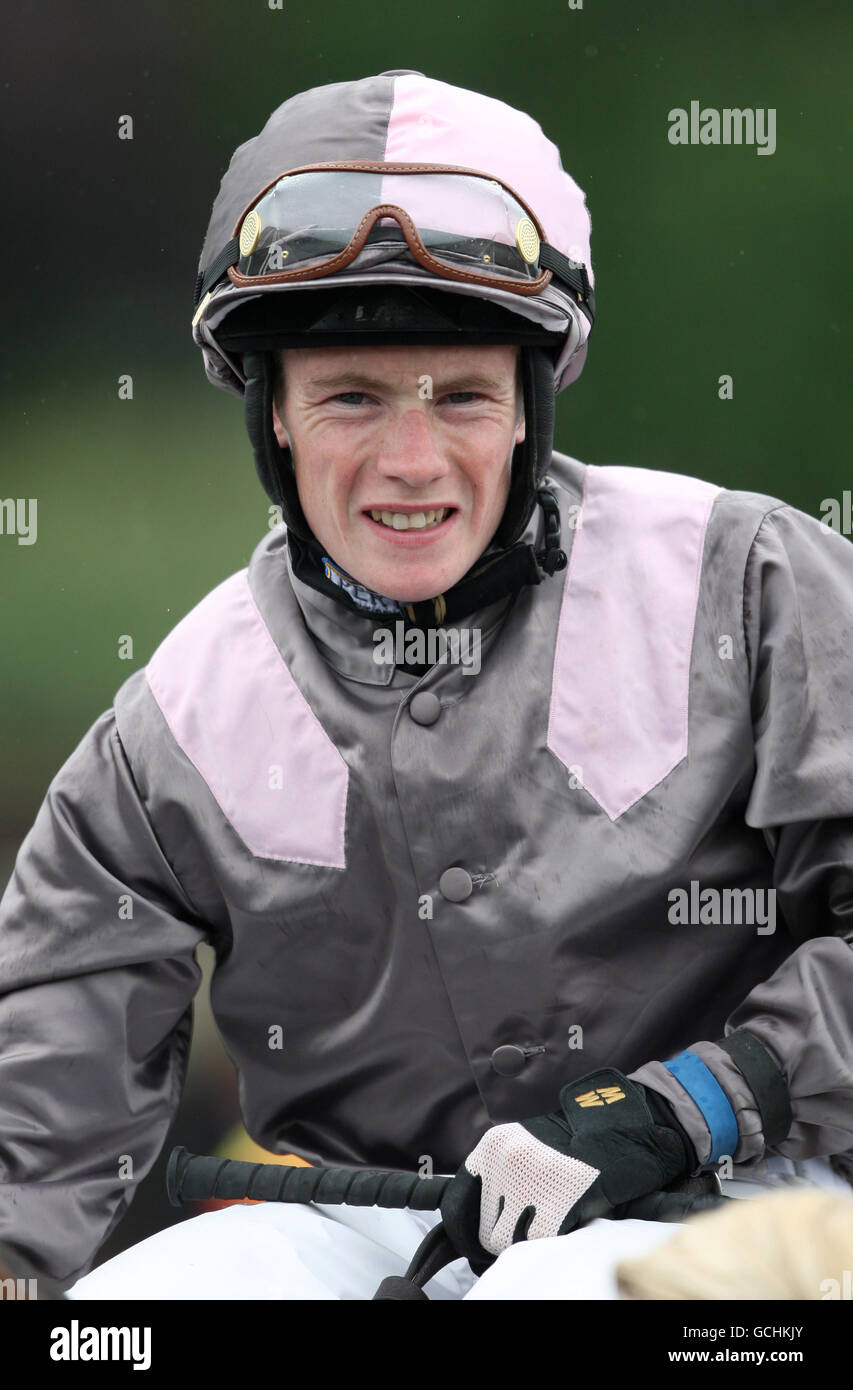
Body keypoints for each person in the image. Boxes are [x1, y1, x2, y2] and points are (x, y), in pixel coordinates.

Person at [1, 69, 852, 1301]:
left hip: (761, 1201)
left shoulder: (753, 580)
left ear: (528, 408)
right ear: (273, 416)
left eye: (459, 395)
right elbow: (46, 1089)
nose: (411, 462)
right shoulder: (176, 715)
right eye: (349, 397)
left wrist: (693, 1106)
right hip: (380, 1220)